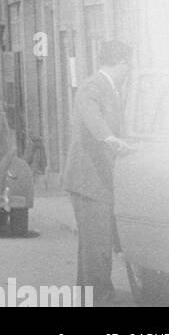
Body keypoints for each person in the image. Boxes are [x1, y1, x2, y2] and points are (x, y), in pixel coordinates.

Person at [61, 40, 134, 305]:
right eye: (129, 66)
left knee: (93, 244)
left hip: (97, 180)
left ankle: (88, 296)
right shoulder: (94, 86)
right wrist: (110, 139)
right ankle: (100, 297)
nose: (130, 72)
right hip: (88, 180)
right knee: (98, 244)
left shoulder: (111, 89)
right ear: (122, 63)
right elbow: (92, 117)